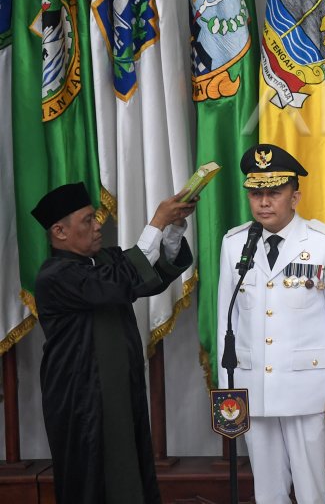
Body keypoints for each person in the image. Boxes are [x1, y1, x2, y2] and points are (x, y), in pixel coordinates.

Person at [33, 181, 196, 504]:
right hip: (81, 398)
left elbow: (150, 276)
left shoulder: (104, 261)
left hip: (119, 390)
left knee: (130, 472)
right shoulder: (54, 276)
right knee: (91, 481)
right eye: (88, 221)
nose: (98, 226)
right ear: (60, 232)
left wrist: (173, 229)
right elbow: (120, 281)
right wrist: (156, 223)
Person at [217, 143, 325, 504]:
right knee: (266, 491)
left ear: (295, 197)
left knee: (312, 490)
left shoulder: (324, 243)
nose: (263, 202)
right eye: (256, 193)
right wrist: (227, 390)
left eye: (274, 193)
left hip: (307, 390)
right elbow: (226, 323)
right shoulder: (235, 244)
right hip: (252, 387)